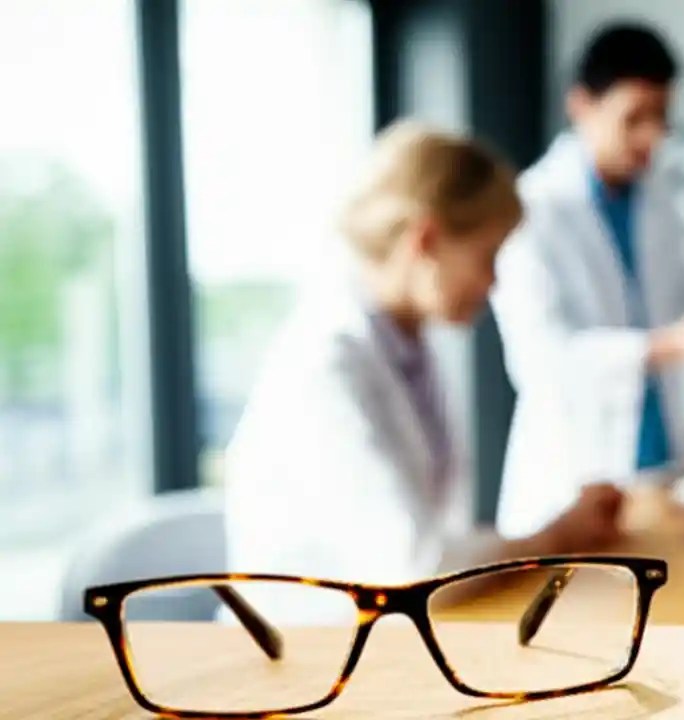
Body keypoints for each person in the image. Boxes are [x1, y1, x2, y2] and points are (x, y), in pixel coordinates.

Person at [224, 121, 624, 604]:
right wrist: (554, 538)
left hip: (395, 635)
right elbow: (413, 568)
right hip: (313, 651)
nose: (492, 283)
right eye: (487, 257)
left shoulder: (407, 347)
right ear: (427, 240)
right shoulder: (326, 364)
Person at [492, 23, 684, 537]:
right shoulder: (533, 207)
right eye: (633, 118)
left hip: (664, 467)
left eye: (660, 117)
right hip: (573, 477)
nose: (651, 137)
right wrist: (667, 346)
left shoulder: (658, 200)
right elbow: (541, 361)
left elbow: (679, 310)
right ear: (581, 105)